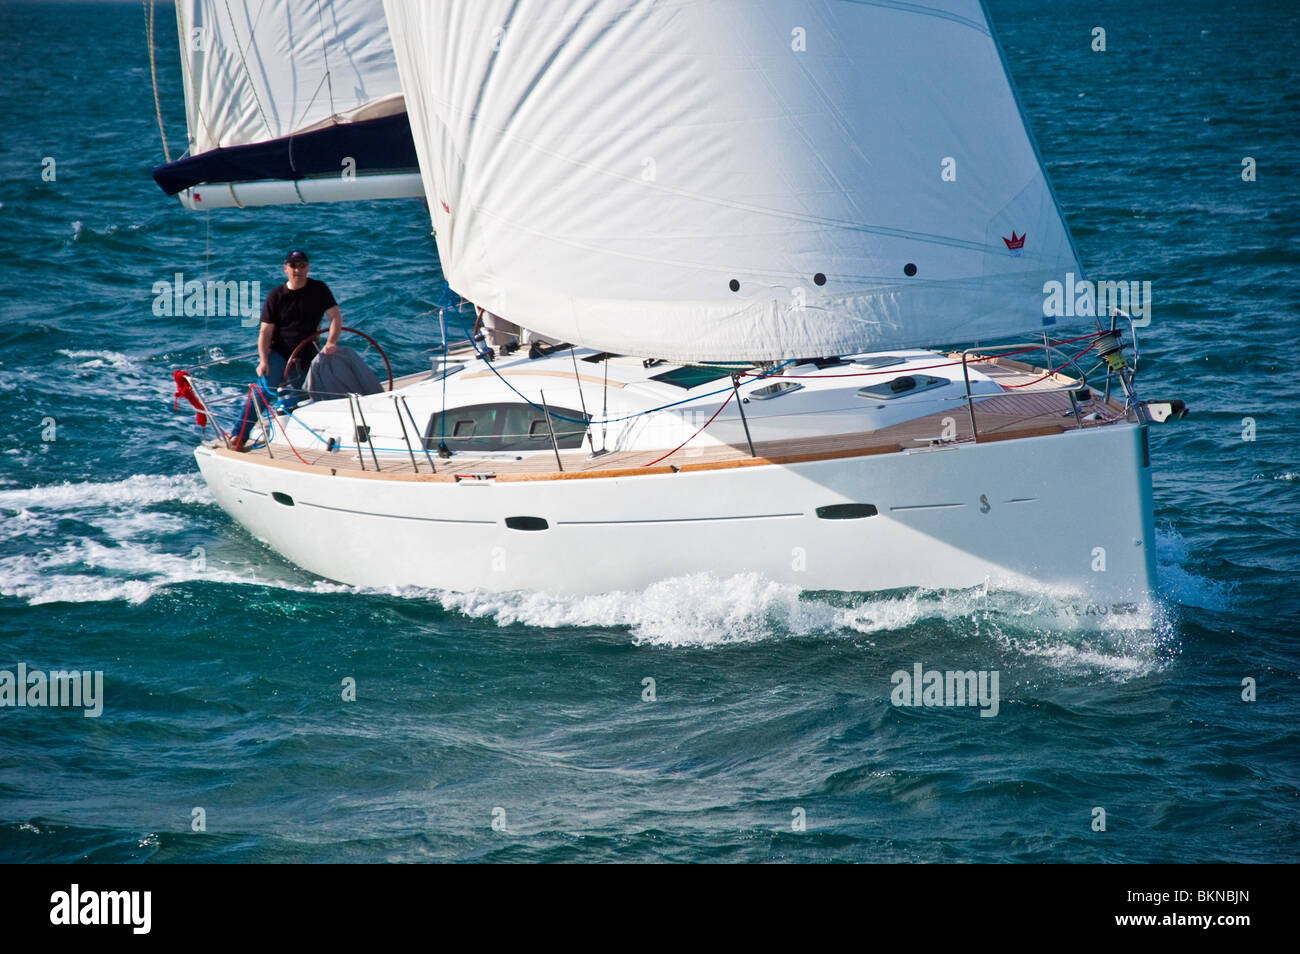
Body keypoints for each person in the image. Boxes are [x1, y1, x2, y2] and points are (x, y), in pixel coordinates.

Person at [231, 250, 342, 451]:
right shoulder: (276, 296)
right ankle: (239, 435)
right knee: (263, 391)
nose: (297, 270)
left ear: (308, 268)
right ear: (285, 269)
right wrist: (263, 360)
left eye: (302, 265)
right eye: (293, 266)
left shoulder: (319, 289)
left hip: (309, 353)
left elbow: (335, 317)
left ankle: (301, 441)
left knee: (303, 399)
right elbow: (265, 331)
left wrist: (331, 343)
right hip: (280, 353)